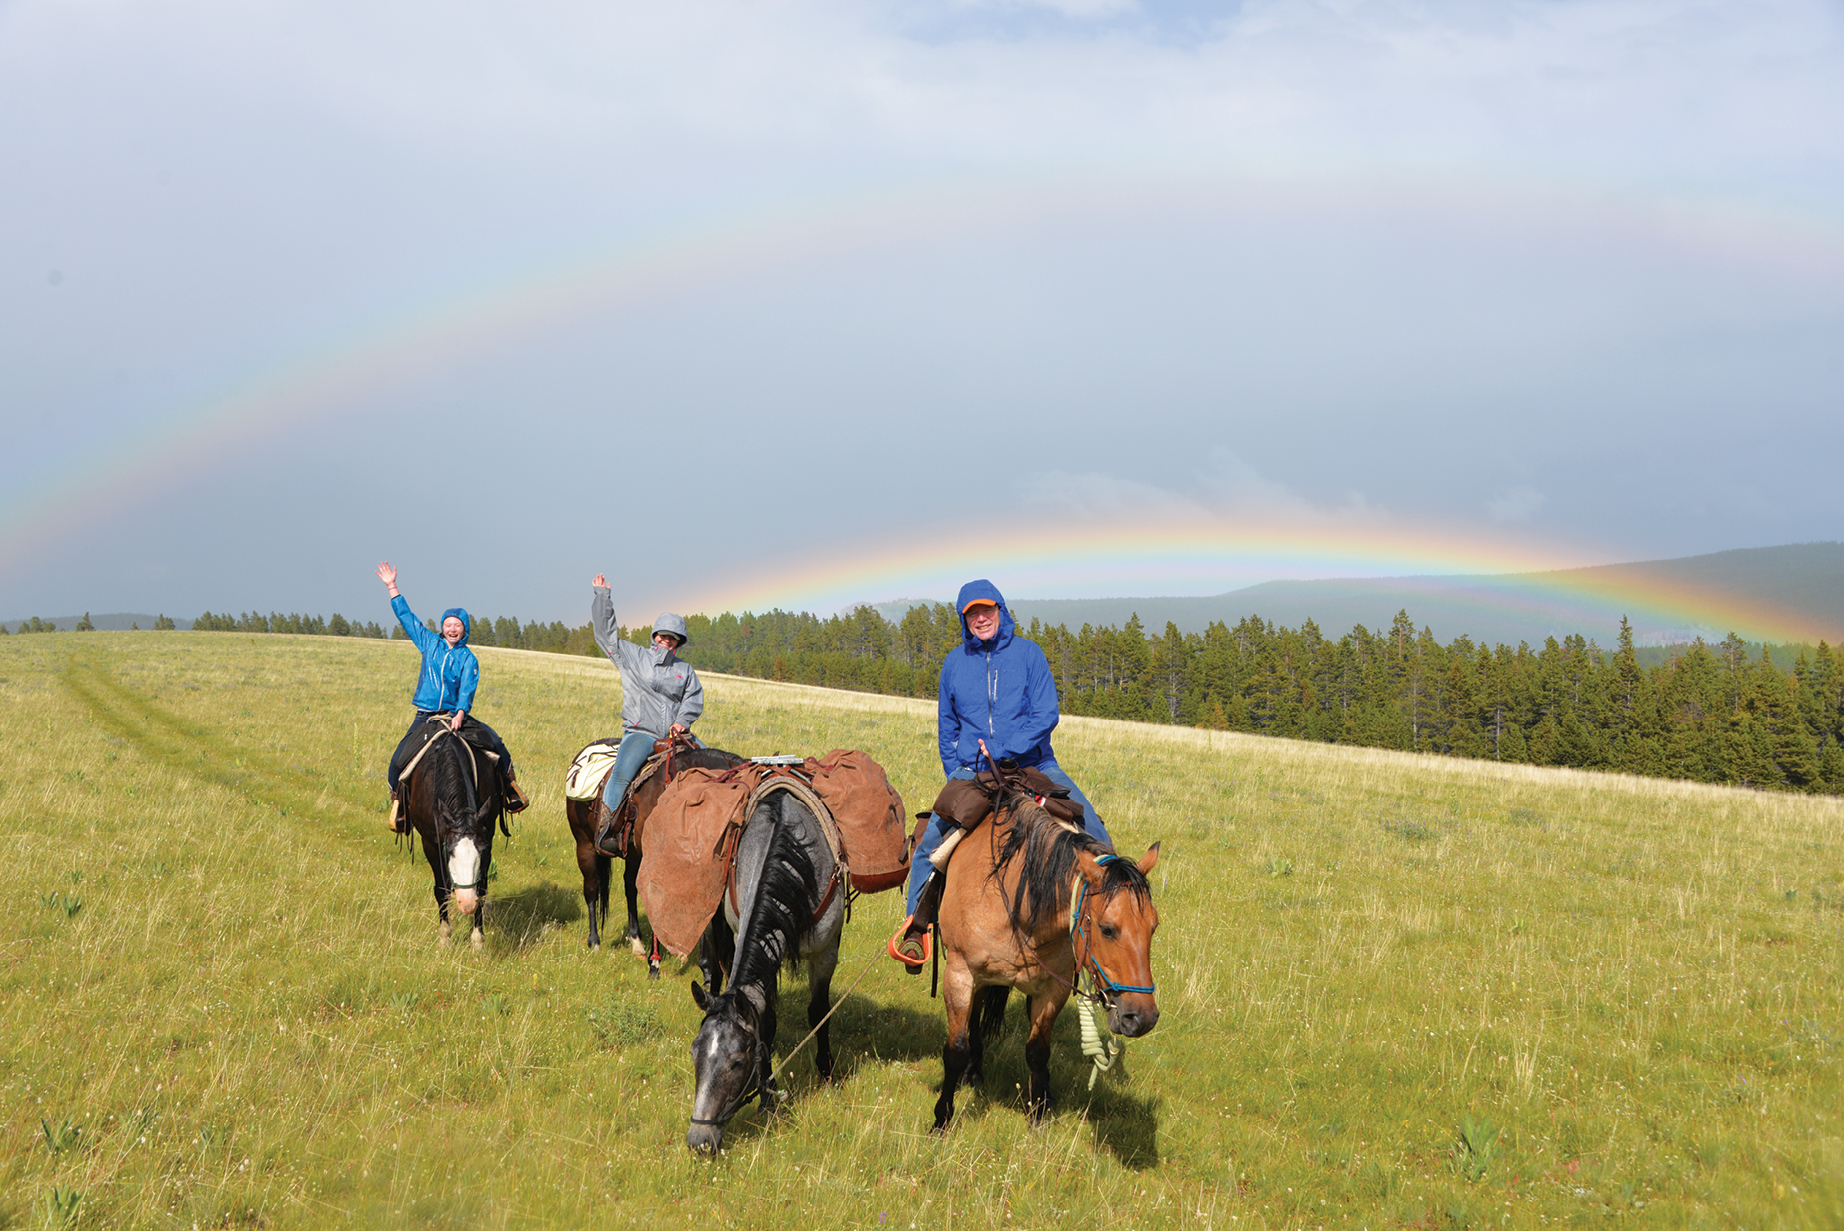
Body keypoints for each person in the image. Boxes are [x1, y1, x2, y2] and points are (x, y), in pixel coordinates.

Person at [888, 578, 1112, 969]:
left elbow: (1046, 715)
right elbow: (947, 725)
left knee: (1091, 825)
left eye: (986, 610)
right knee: (930, 844)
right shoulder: (955, 663)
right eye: (972, 613)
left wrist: (1007, 749)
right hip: (974, 770)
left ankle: (1110, 913)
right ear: (964, 620)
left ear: (1000, 610)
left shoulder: (1029, 654)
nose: (980, 618)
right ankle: (916, 931)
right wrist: (956, 768)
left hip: (1034, 764)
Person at [377, 562, 527, 833]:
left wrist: (460, 713)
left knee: (496, 745)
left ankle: (511, 792)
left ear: (464, 629)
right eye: (448, 624)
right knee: (398, 760)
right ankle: (400, 807)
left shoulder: (468, 658)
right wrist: (392, 586)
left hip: (455, 715)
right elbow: (407, 617)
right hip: (425, 716)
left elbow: (468, 687)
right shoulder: (428, 643)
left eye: (457, 625)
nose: (452, 629)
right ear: (442, 627)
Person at [589, 573, 705, 854]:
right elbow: (605, 635)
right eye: (664, 635)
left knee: (709, 765)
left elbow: (693, 698)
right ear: (655, 635)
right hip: (641, 733)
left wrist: (681, 722)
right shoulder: (632, 656)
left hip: (676, 734)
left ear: (679, 642)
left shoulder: (684, 670)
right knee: (621, 774)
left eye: (674, 638)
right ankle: (609, 830)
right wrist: (603, 597)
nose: (667, 640)